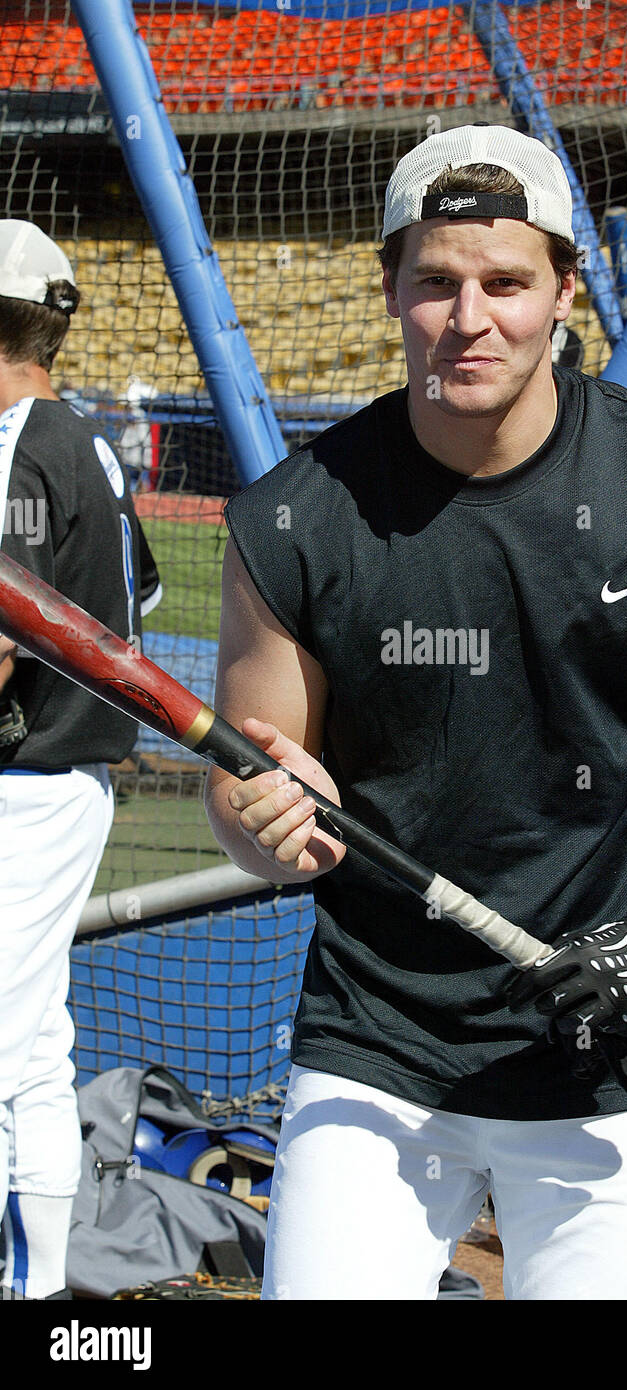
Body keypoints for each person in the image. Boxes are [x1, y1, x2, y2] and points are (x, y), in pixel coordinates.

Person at [205, 125, 627, 1300]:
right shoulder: (290, 522)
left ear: (563, 289)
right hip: (378, 1040)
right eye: (433, 281)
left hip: (617, 1049)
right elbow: (241, 797)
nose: (467, 316)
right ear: (388, 288)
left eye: (504, 282)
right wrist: (267, 821)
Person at [0, 220, 161, 1300]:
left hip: (24, 782)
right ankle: (42, 1284)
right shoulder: (87, 439)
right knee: (30, 1041)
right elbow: (135, 598)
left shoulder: (16, 442)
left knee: (12, 1046)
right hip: (68, 781)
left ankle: (37, 1286)